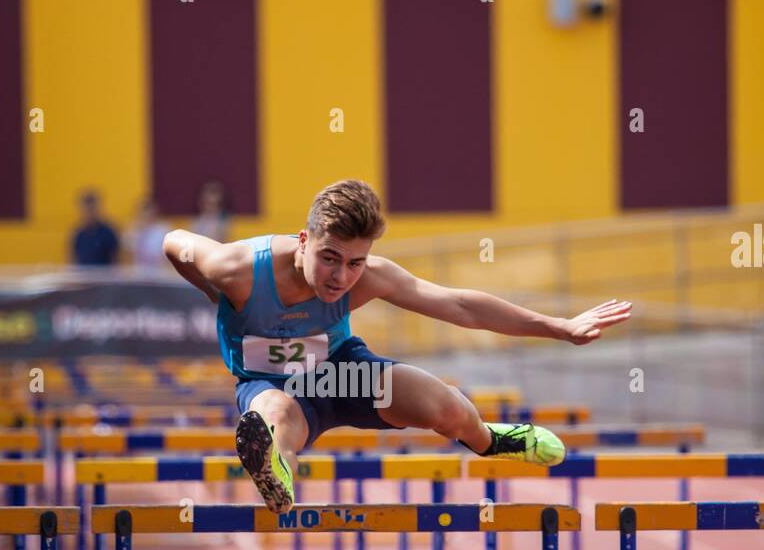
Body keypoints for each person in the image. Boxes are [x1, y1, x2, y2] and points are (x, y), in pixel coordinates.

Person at [164, 179, 632, 513]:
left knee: (444, 406)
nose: (341, 277)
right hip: (269, 383)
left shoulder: (369, 277)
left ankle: (491, 442)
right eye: (329, 259)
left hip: (341, 375)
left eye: (355, 263)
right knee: (272, 414)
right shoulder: (237, 269)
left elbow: (461, 306)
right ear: (303, 241)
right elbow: (173, 242)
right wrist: (213, 291)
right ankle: (276, 474)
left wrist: (558, 327)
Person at [70, 189, 121, 266]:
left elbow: (116, 260)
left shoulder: (108, 233)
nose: (89, 214)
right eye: (86, 211)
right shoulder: (78, 235)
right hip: (83, 276)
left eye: (92, 210)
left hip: (105, 277)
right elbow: (74, 260)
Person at [126, 197, 172, 277]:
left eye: (150, 211)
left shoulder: (164, 230)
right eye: (144, 211)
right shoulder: (133, 229)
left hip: (159, 274)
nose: (147, 215)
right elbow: (127, 254)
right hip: (139, 274)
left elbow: (169, 256)